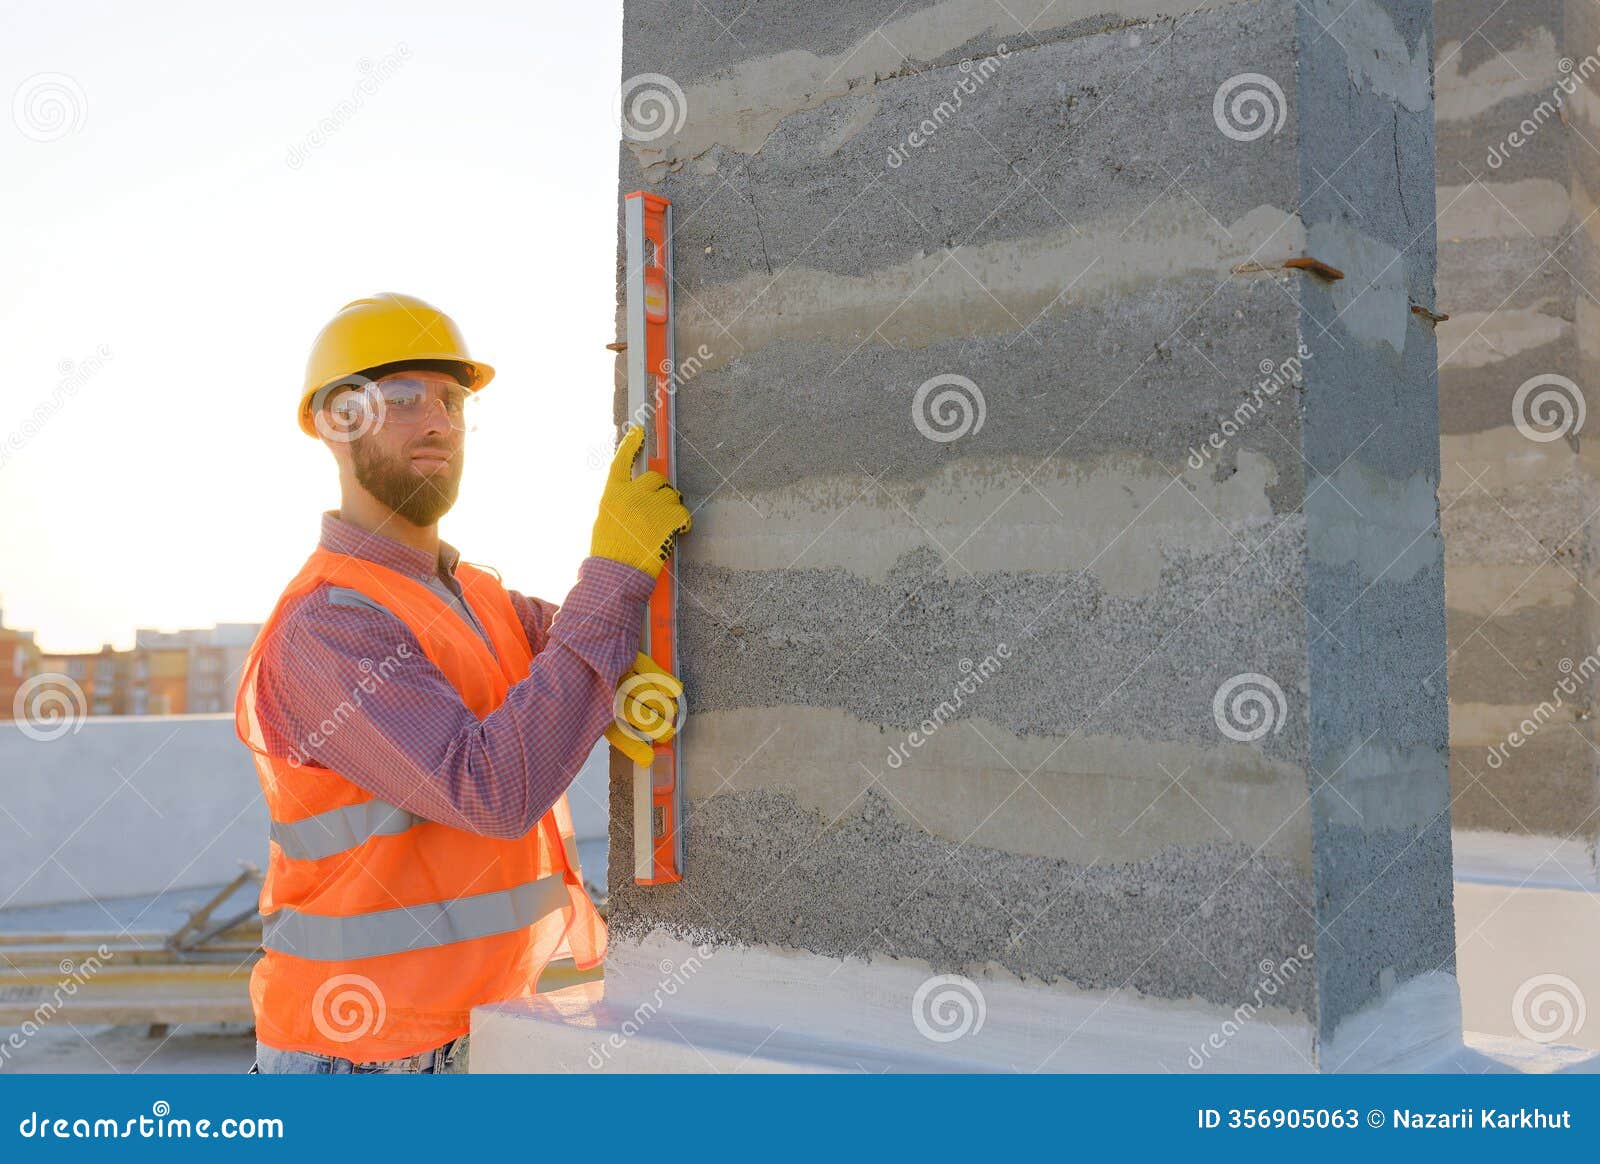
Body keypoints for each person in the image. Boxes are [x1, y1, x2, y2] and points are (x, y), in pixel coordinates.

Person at [237, 292, 688, 1074]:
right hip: (360, 1060)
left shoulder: (477, 597)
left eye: (451, 399)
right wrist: (612, 572)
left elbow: (591, 648)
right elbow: (491, 791)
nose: (439, 421)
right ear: (336, 422)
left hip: (483, 1031)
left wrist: (619, 686)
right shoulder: (328, 626)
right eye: (403, 399)